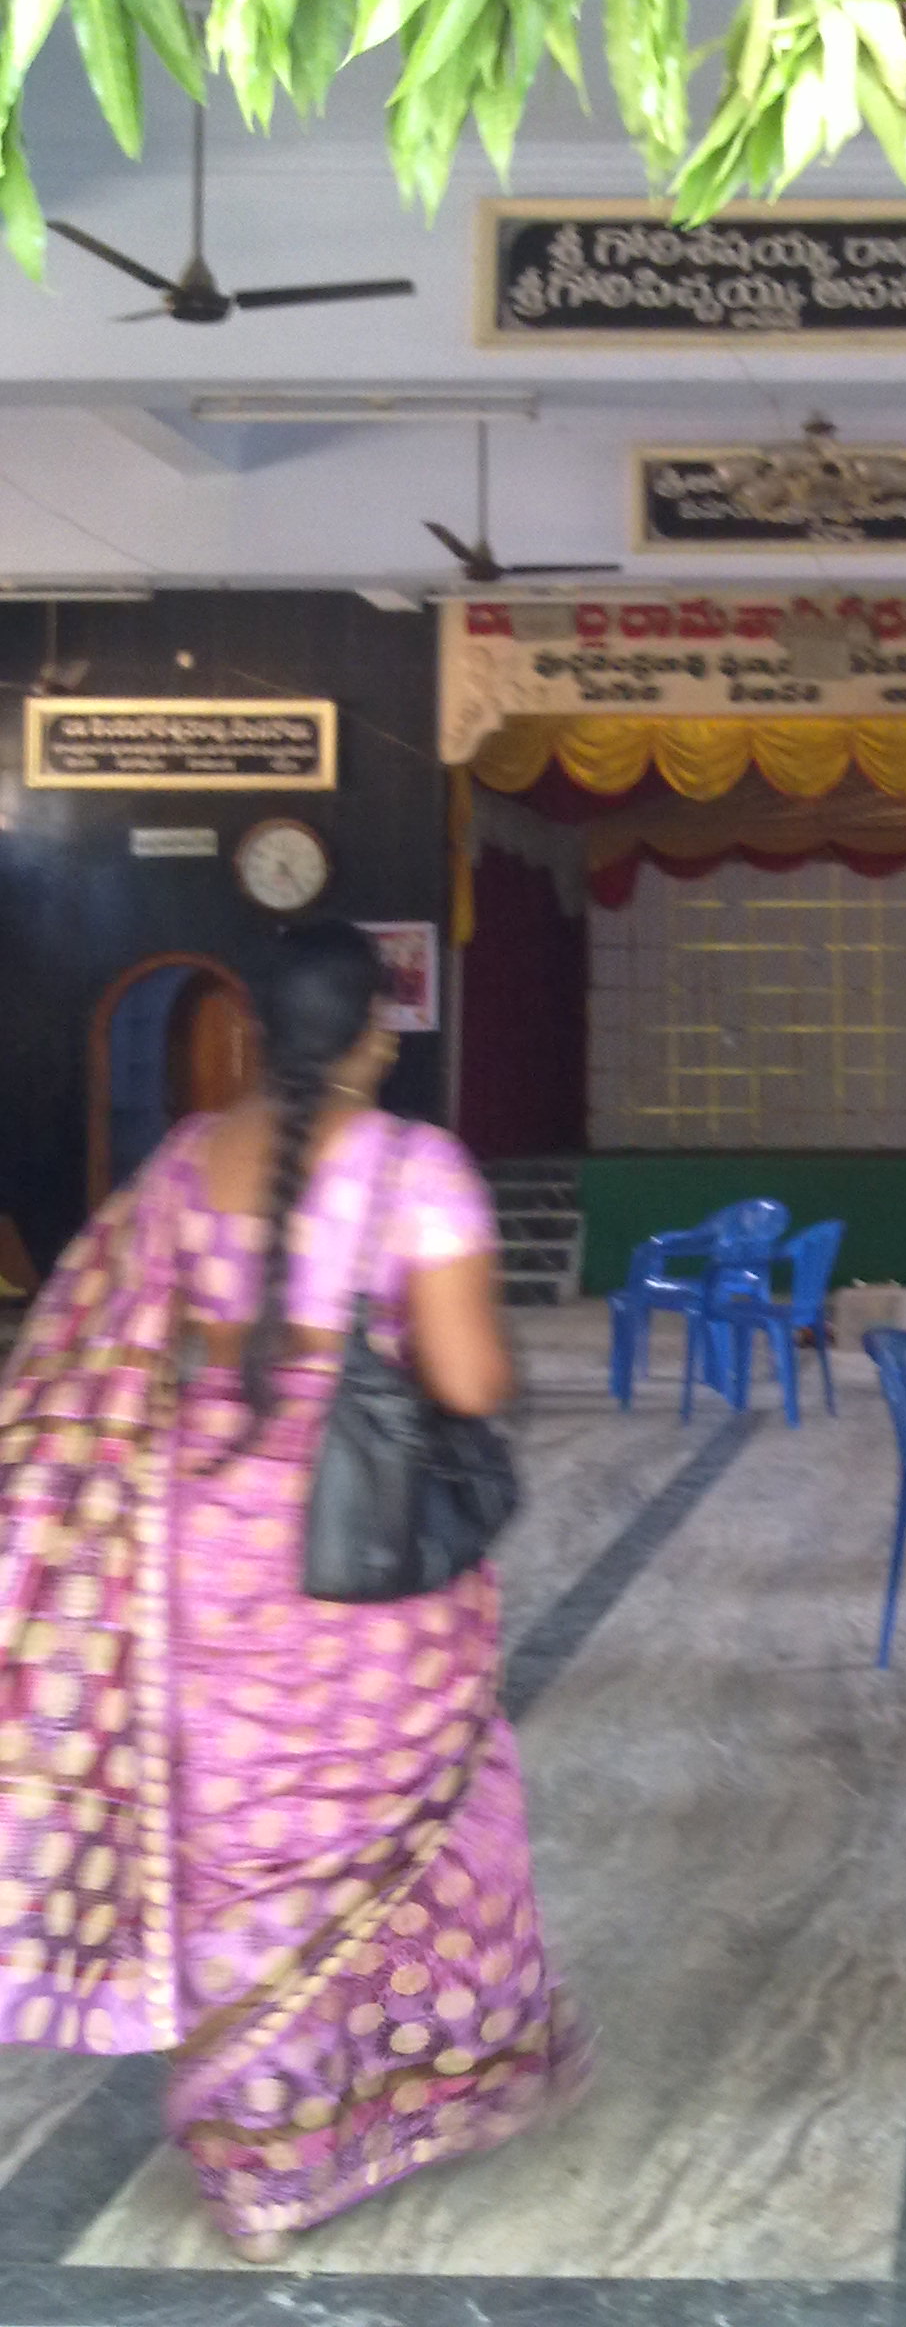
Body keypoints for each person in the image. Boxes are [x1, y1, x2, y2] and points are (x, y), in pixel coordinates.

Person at [0, 920, 586, 2262]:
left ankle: (255, 2157)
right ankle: (414, 2093)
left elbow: (100, 1346)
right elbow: (467, 1380)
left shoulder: (180, 1163)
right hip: (360, 1556)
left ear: (254, 1033)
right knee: (416, 1826)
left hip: (202, 1551)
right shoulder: (416, 1167)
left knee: (235, 1850)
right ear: (379, 1034)